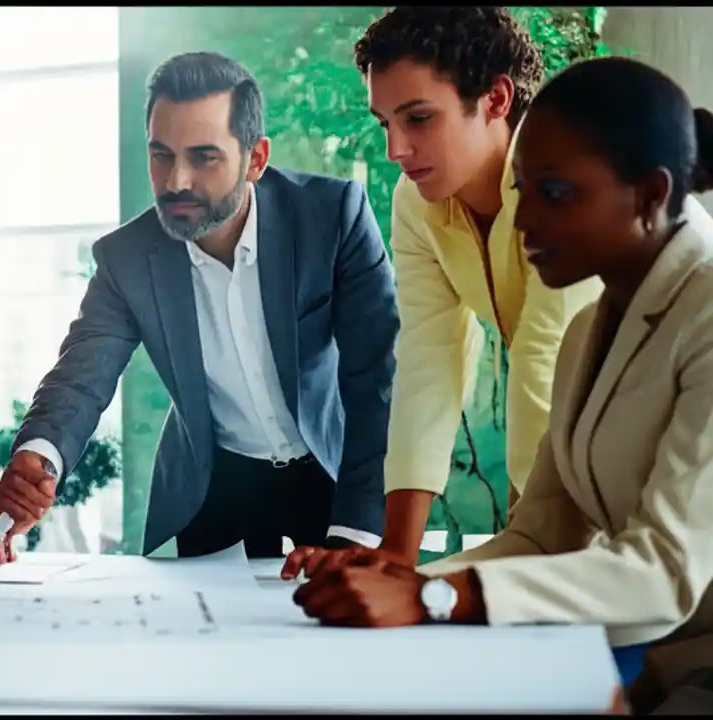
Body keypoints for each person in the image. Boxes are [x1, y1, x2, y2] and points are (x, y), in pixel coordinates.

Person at [291, 56, 713, 704]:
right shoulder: (589, 333)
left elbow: (666, 573)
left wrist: (434, 596)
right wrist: (404, 577)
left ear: (650, 195)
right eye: (521, 190)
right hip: (659, 662)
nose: (523, 220)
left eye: (555, 193)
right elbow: (542, 534)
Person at [0, 51, 398, 564]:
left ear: (255, 158)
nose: (176, 181)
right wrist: (39, 459)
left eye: (204, 157)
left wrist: (355, 537)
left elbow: (377, 378)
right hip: (216, 489)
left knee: (343, 609)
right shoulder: (127, 258)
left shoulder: (333, 217)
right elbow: (81, 377)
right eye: (162, 155)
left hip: (332, 472)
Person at [284, 7, 603, 574]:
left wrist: (528, 550)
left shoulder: (569, 177)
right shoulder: (418, 203)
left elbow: (544, 358)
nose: (396, 149)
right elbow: (428, 362)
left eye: (419, 118)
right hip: (590, 453)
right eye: (386, 124)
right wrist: (395, 557)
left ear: (496, 99)